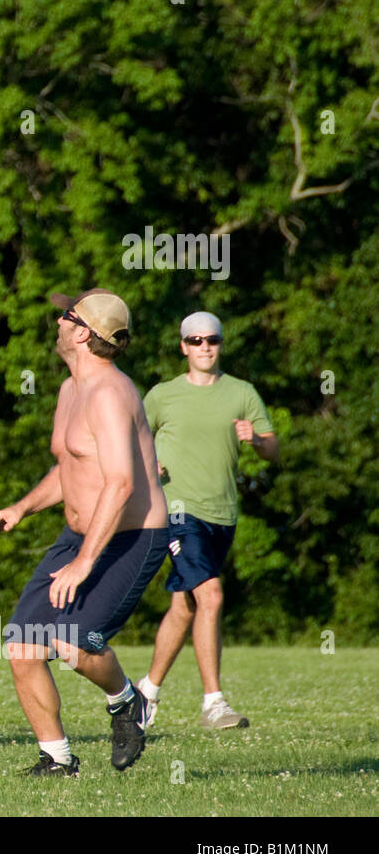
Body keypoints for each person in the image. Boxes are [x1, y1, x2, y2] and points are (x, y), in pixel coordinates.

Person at [0, 289, 169, 775]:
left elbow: (121, 483)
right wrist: (22, 507)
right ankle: (57, 759)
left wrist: (85, 562)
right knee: (23, 646)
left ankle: (127, 702)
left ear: (83, 332)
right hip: (78, 537)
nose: (58, 322)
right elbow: (70, 468)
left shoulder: (110, 393)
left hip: (131, 537)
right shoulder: (71, 389)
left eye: (66, 316)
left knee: (76, 641)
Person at [137, 312, 278, 730]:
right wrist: (150, 465)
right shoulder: (163, 395)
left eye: (211, 340)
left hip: (223, 515)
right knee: (211, 595)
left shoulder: (242, 393)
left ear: (220, 343)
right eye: (195, 341)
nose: (204, 347)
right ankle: (214, 704)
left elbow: (273, 450)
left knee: (185, 606)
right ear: (183, 347)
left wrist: (255, 439)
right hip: (178, 512)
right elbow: (130, 440)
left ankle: (146, 693)